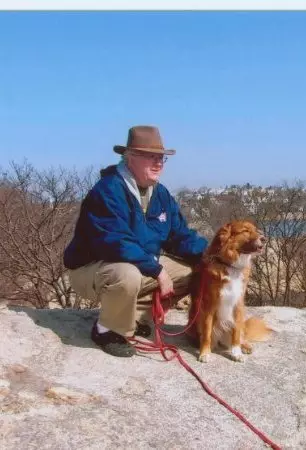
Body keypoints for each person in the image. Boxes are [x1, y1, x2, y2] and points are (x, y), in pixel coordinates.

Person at [64, 125, 208, 357]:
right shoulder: (108, 190)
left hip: (137, 262)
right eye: (151, 157)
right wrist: (158, 271)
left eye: (161, 158)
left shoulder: (160, 194)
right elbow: (117, 242)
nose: (159, 163)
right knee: (126, 275)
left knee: (192, 271)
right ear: (129, 157)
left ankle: (131, 319)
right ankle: (107, 330)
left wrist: (210, 256)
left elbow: (179, 235)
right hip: (93, 269)